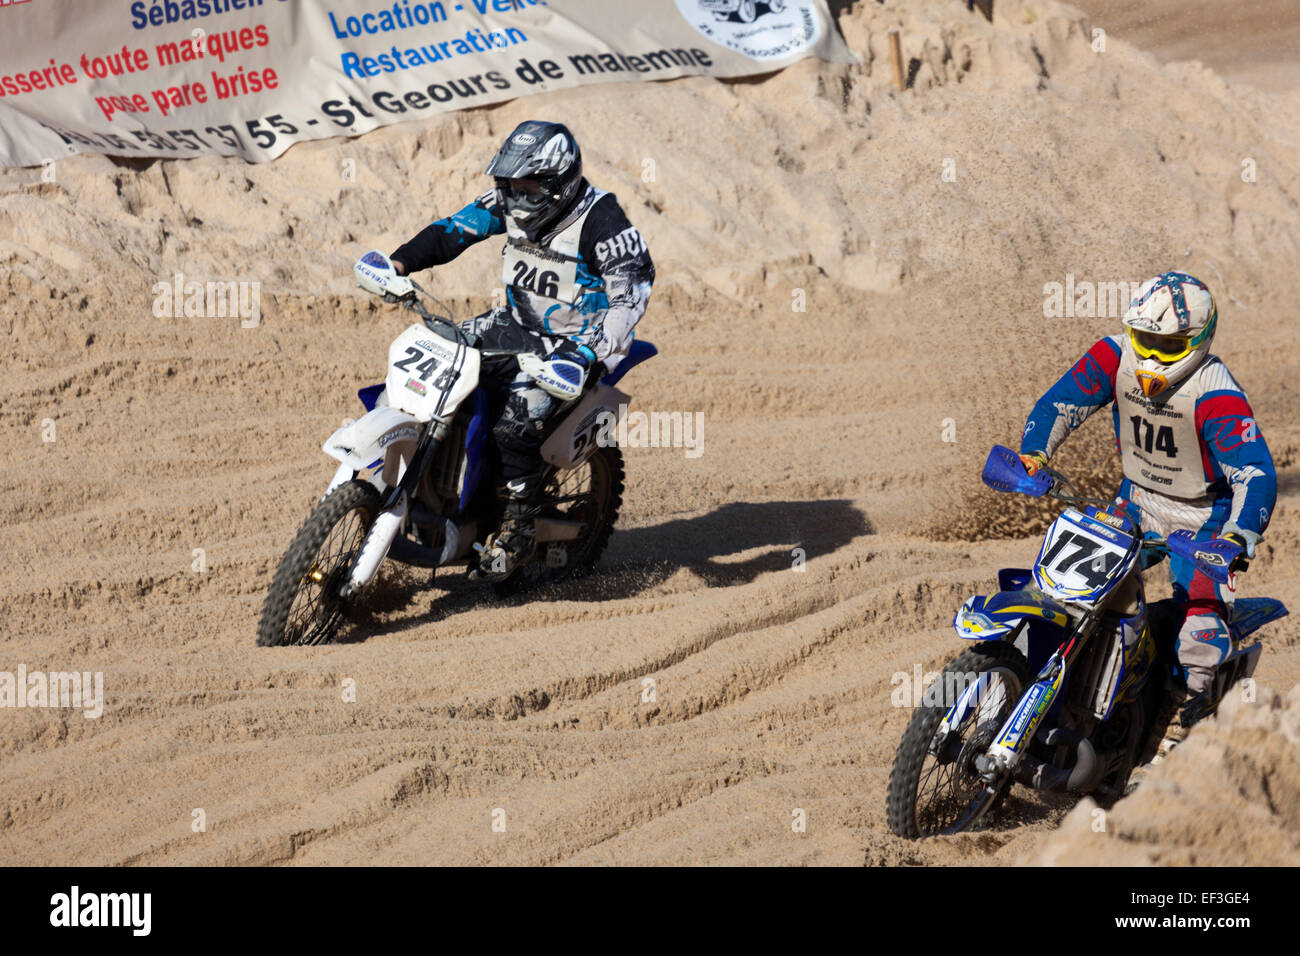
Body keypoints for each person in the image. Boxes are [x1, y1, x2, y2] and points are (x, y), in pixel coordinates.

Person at [388, 120, 655, 580]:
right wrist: (401, 261)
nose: (516, 198)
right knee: (437, 363)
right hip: (513, 324)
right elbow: (455, 229)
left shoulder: (602, 220)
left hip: (575, 344)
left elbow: (630, 295)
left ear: (560, 182)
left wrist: (588, 354)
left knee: (517, 420)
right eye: (509, 186)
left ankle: (517, 530)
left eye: (528, 186)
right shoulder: (513, 200)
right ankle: (422, 485)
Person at [1018, 271, 1276, 743]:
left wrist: (1240, 535)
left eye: (1169, 345)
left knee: (1200, 632)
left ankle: (1175, 739)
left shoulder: (1217, 393)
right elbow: (1060, 404)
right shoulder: (1113, 355)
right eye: (1145, 338)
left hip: (1204, 519)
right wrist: (1036, 452)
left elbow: (1256, 473)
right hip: (1135, 500)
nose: (1153, 355)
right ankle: (1046, 694)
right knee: (1069, 587)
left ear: (1199, 340)